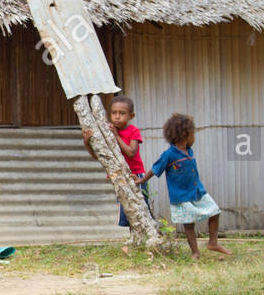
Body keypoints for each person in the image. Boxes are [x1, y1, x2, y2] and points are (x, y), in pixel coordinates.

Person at [135, 113, 231, 258]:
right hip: (181, 195)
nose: (194, 137)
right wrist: (142, 180)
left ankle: (213, 242)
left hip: (198, 191)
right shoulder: (169, 154)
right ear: (186, 134)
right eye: (193, 133)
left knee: (215, 212)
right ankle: (195, 252)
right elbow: (156, 168)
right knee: (188, 223)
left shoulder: (189, 151)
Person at [82, 94, 150, 227]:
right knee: (127, 210)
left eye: (122, 113)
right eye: (114, 113)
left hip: (135, 176)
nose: (117, 116)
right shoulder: (107, 132)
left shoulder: (133, 131)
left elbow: (131, 152)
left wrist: (116, 136)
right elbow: (100, 156)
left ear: (131, 115)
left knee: (141, 209)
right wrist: (86, 143)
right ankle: (135, 238)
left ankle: (146, 236)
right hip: (118, 176)